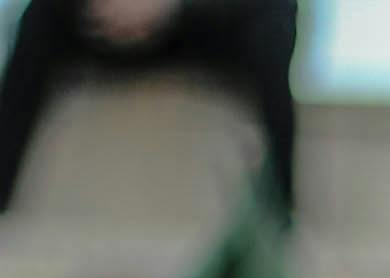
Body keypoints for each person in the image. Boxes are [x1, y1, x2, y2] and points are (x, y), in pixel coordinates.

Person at [0, 0, 292, 210]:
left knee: (275, 13)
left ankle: (282, 212)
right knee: (37, 19)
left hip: (202, 23)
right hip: (99, 22)